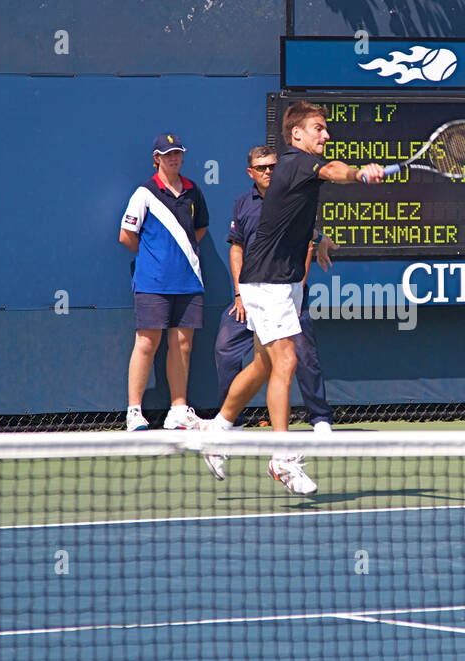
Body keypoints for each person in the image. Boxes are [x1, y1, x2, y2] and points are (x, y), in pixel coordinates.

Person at [203, 104, 383, 494]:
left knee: (264, 365)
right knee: (287, 357)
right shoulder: (296, 161)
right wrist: (358, 172)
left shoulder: (296, 171)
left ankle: (216, 431)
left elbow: (292, 218)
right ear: (296, 135)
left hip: (282, 280)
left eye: (326, 129)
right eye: (319, 128)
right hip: (266, 280)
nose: (326, 135)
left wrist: (317, 240)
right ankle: (282, 457)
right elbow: (336, 170)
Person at [214, 145, 335, 433]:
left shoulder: (291, 197)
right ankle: (276, 449)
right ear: (251, 172)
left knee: (272, 363)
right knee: (256, 355)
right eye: (262, 167)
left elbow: (303, 235)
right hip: (258, 289)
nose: (268, 171)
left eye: (272, 166)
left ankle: (318, 419)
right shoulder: (244, 204)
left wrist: (321, 239)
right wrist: (239, 295)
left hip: (288, 289)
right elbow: (237, 249)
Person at [119, 132, 209, 431]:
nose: (174, 158)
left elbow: (201, 229)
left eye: (178, 153)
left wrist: (182, 256)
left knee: (182, 345)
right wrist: (154, 258)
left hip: (189, 281)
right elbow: (126, 235)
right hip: (152, 283)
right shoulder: (144, 193)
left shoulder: (194, 190)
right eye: (168, 154)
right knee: (147, 343)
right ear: (157, 159)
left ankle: (178, 410)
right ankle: (134, 411)